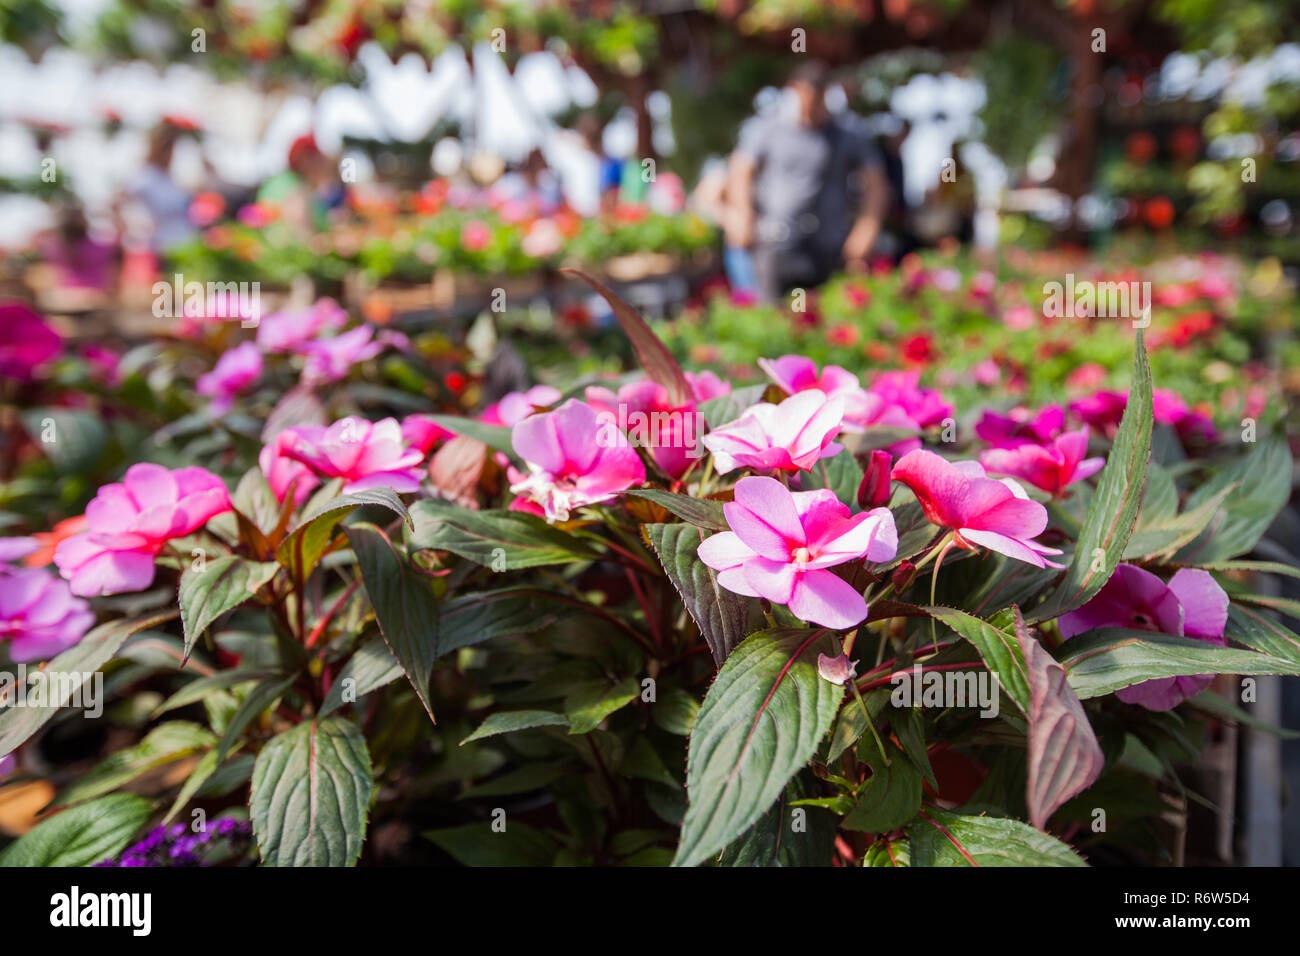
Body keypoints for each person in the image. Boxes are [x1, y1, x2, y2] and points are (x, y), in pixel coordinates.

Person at [727, 62, 890, 303]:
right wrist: (742, 214)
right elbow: (740, 170)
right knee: (773, 318)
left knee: (825, 319)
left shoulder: (848, 131)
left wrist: (868, 227)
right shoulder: (767, 127)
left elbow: (877, 182)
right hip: (776, 242)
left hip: (830, 245)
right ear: (793, 91)